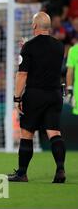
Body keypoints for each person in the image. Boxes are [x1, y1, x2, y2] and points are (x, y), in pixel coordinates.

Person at [9, 12, 66, 183]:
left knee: (26, 133)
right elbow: (45, 57)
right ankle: (60, 170)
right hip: (55, 94)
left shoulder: (29, 47)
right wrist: (28, 46)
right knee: (54, 132)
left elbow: (22, 74)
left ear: (34, 26)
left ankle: (22, 173)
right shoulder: (59, 46)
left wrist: (17, 98)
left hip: (35, 95)